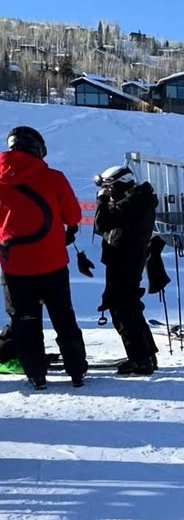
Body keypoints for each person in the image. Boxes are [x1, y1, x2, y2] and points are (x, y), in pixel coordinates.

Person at [0, 125, 88, 389]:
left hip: (14, 265)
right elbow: (72, 216)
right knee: (63, 317)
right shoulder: (54, 177)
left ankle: (36, 374)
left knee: (25, 320)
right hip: (52, 263)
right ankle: (76, 371)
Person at [93, 165, 160, 375]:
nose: (106, 192)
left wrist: (102, 200)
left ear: (120, 185)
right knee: (130, 307)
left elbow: (100, 224)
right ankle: (147, 355)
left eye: (109, 188)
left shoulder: (133, 201)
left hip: (125, 260)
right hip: (127, 259)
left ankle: (140, 359)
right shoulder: (138, 199)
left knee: (122, 310)